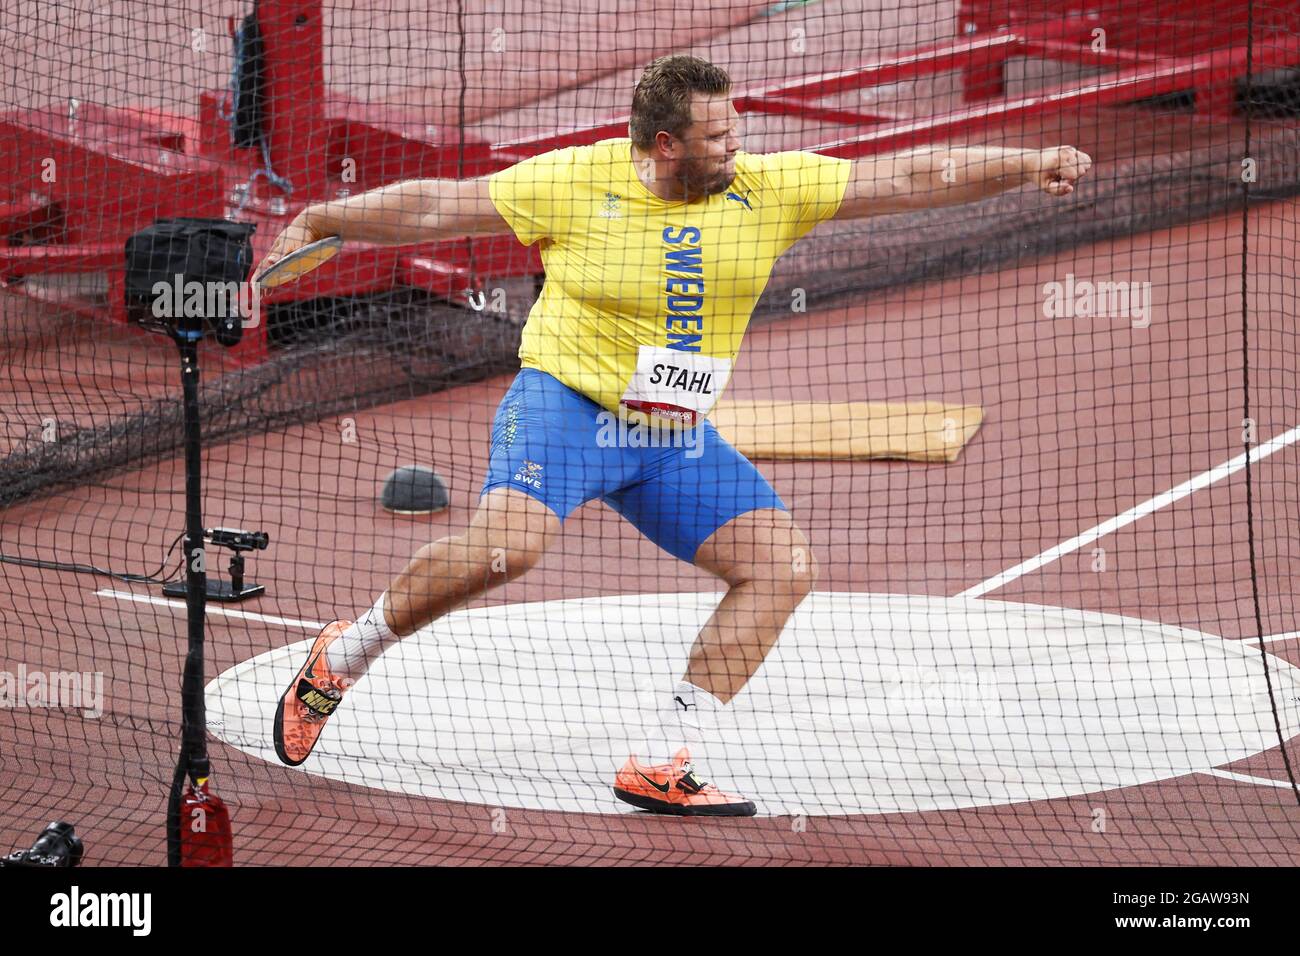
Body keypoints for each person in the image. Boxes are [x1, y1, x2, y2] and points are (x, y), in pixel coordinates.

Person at [263, 54, 1091, 815]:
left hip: (671, 437)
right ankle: (345, 654)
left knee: (782, 565)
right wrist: (326, 216)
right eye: (720, 135)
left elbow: (915, 176)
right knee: (505, 552)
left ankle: (660, 758)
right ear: (666, 145)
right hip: (566, 407)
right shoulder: (578, 181)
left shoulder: (769, 191)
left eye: (738, 130)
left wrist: (1025, 165)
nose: (740, 145)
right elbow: (439, 205)